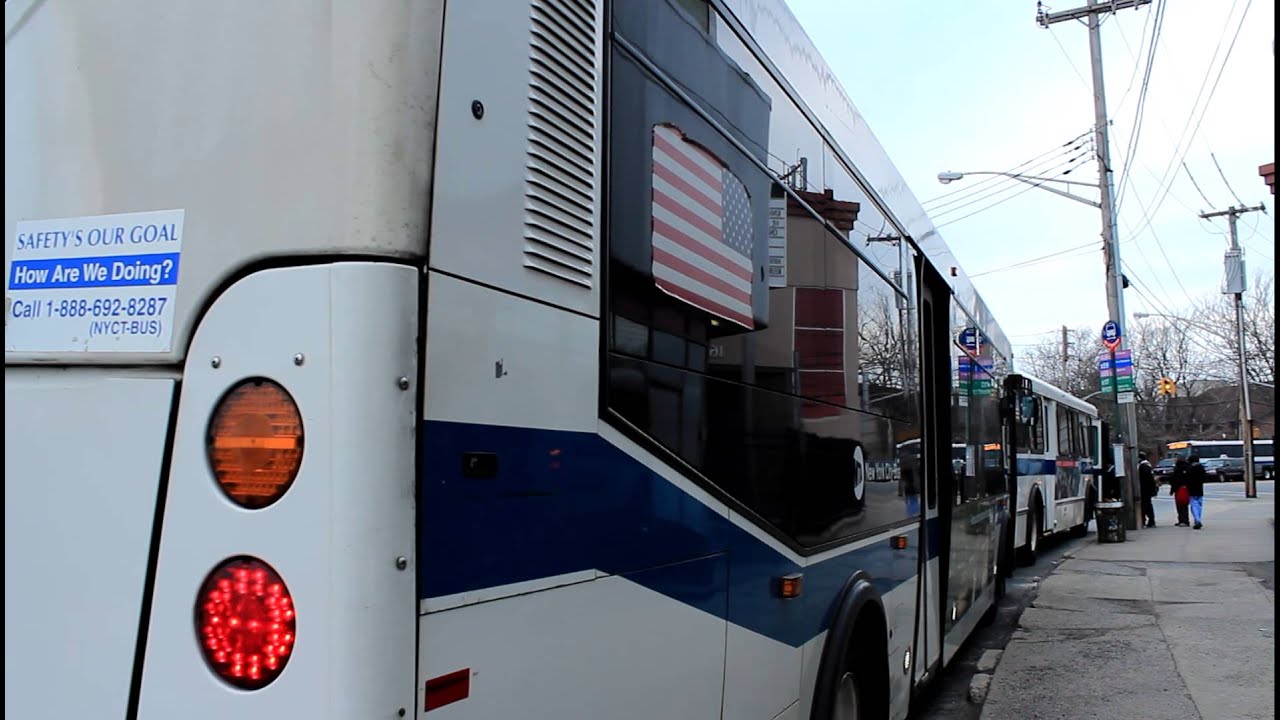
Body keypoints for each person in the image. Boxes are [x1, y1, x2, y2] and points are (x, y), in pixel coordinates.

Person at [1186, 454, 1208, 530]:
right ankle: (1198, 519)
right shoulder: (1201, 467)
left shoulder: (1190, 468)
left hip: (1192, 489)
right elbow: (1205, 477)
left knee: (1194, 505)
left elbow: (1187, 478)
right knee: (1199, 505)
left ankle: (1197, 519)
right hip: (1199, 488)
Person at [1169, 458, 1191, 526]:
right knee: (1184, 505)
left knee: (1180, 505)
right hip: (1186, 488)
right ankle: (1184, 520)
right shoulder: (1188, 468)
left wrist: (1172, 490)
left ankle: (1182, 520)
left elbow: (1174, 480)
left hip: (1178, 489)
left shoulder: (1177, 469)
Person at [1138, 452, 1157, 527]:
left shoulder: (1143, 467)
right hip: (1148, 489)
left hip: (1144, 490)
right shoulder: (1147, 466)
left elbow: (1145, 480)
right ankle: (1149, 520)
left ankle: (1148, 520)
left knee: (1146, 505)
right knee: (1147, 505)